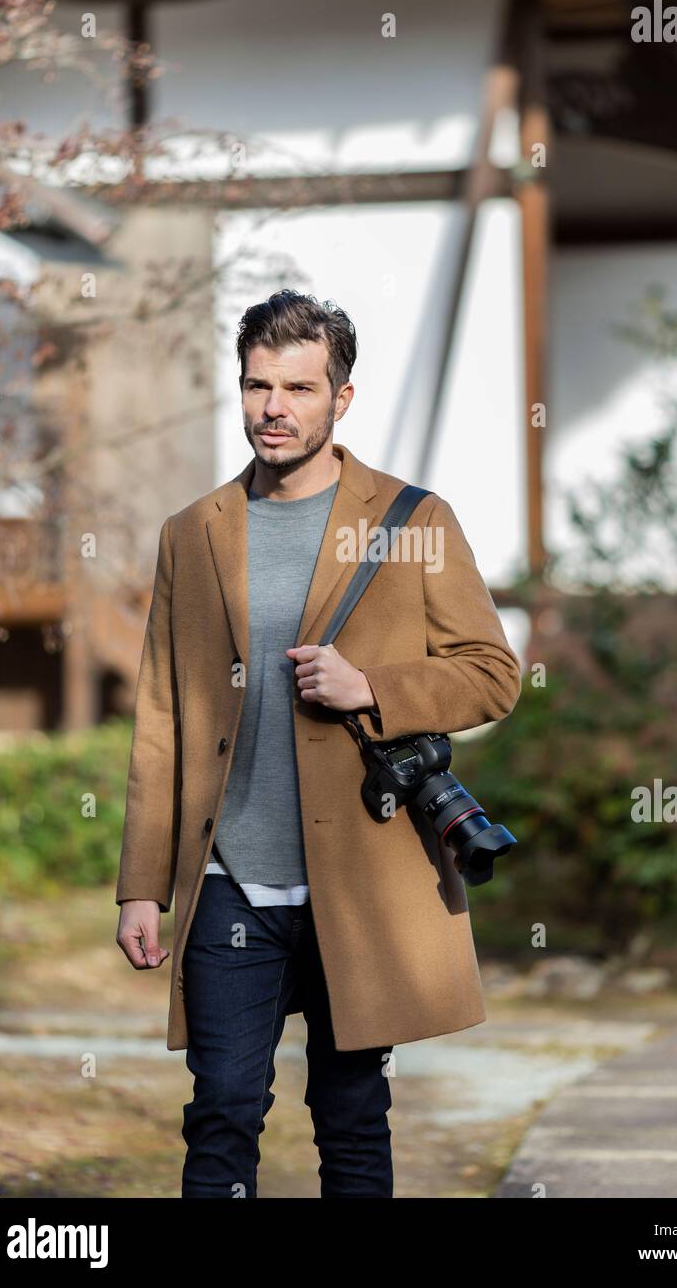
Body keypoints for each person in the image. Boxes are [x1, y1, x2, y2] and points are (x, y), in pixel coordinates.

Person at [115, 289, 522, 1198]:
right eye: (258, 385)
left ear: (341, 398)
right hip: (231, 877)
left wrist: (374, 688)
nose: (273, 408)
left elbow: (494, 671)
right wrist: (142, 885)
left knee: (349, 1117)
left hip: (361, 880)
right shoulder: (193, 534)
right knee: (220, 1110)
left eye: (298, 388)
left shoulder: (413, 521)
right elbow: (160, 721)